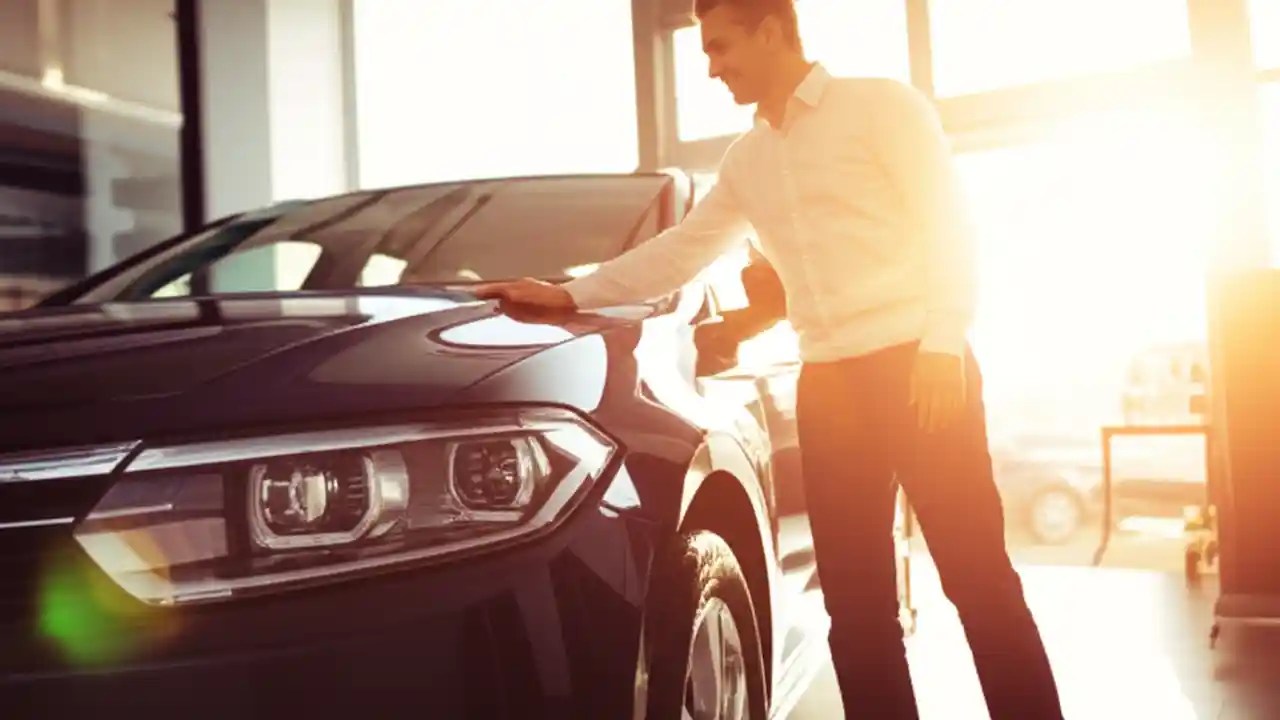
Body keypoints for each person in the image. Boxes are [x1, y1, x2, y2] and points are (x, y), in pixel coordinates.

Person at [473, 0, 1064, 717]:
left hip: (920, 365)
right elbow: (682, 251)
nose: (714, 68)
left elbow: (949, 222)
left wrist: (943, 344)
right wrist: (569, 295)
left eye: (722, 48)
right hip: (830, 388)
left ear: (774, 30)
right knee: (855, 608)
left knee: (979, 584)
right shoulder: (748, 160)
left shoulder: (882, 107)